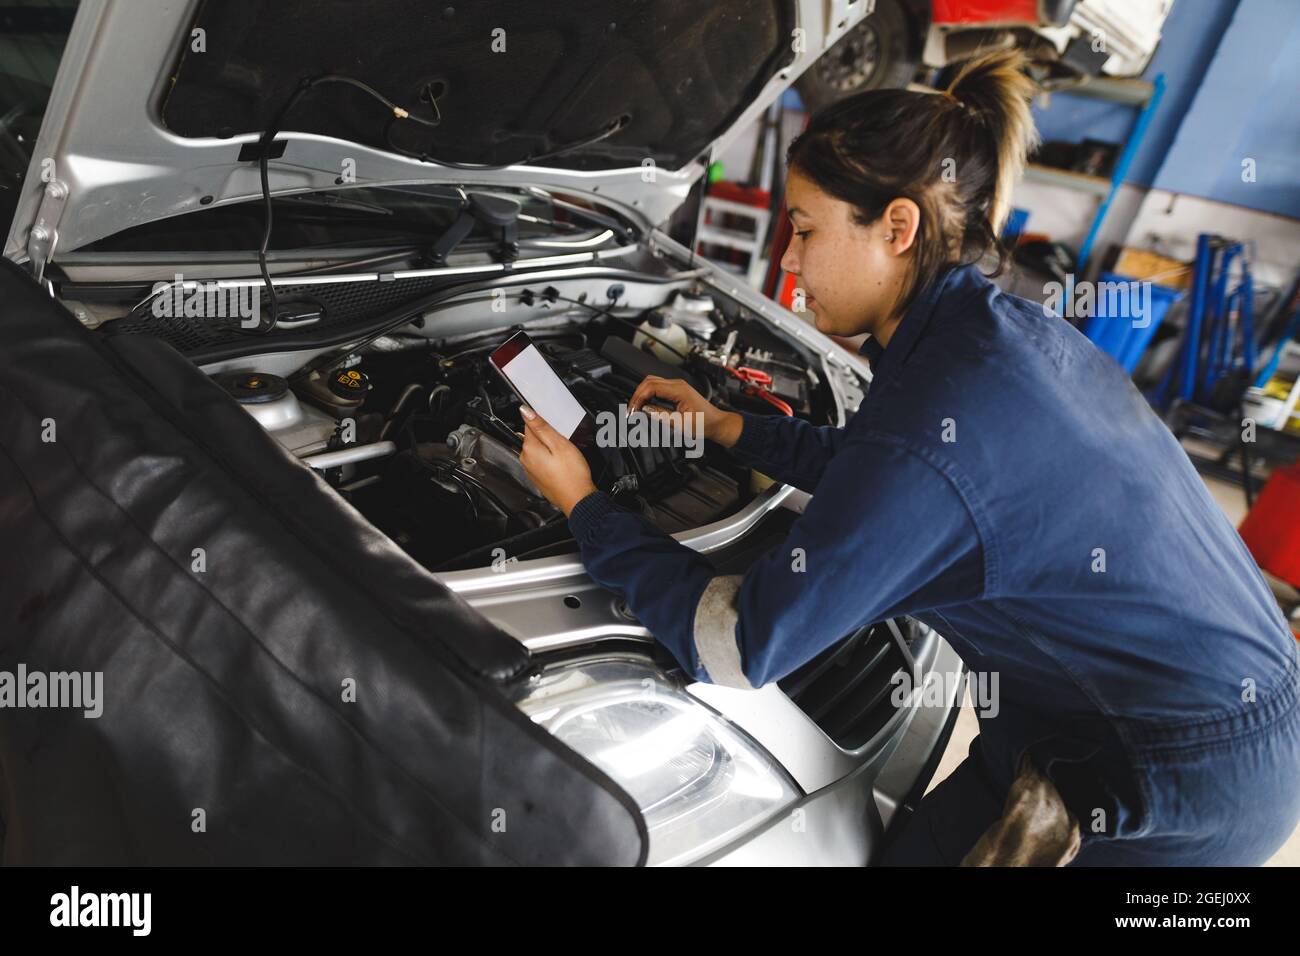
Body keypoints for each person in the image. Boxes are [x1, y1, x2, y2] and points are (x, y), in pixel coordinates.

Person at [516, 49, 1300, 866]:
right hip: (1149, 695)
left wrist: (586, 510)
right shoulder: (991, 332)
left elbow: (737, 648)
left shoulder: (940, 408)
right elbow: (893, 470)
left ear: (898, 227)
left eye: (807, 229)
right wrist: (729, 428)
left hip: (1178, 776)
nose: (785, 261)